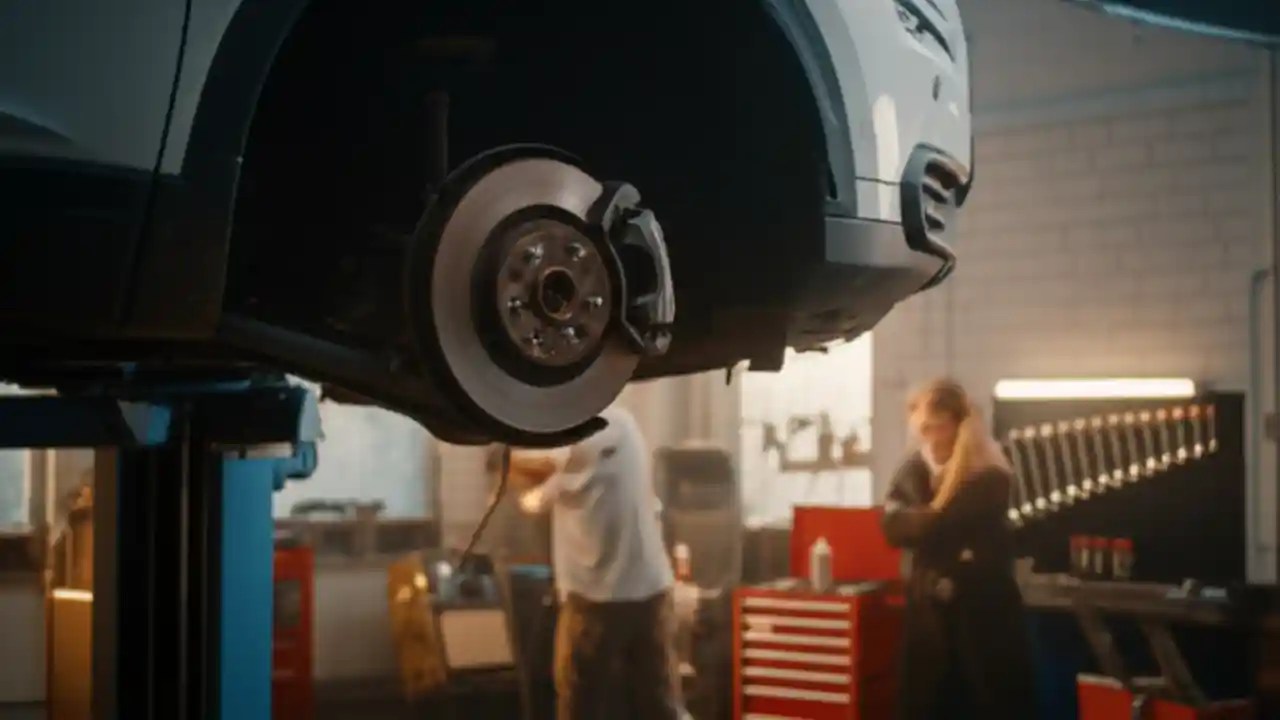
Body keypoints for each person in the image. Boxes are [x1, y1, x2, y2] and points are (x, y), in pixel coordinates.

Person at [508, 404, 683, 720]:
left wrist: (505, 450)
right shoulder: (617, 428)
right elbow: (536, 494)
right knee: (658, 703)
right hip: (647, 590)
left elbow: (537, 472)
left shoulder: (605, 426)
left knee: (581, 704)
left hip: (596, 600)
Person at [881, 379, 1037, 720]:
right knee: (929, 701)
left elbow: (960, 526)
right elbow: (892, 525)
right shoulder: (914, 469)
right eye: (927, 429)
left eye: (942, 428)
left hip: (982, 613)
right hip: (929, 612)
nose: (935, 438)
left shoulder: (987, 473)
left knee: (986, 699)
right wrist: (922, 519)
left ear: (959, 425)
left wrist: (928, 521)